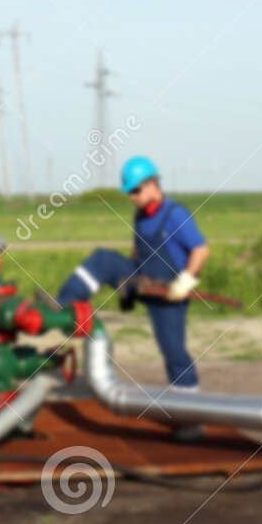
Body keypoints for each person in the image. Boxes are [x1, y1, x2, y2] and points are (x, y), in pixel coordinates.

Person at [56, 155, 208, 387]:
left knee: (173, 351)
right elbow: (138, 251)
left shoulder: (175, 214)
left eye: (135, 191)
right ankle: (66, 305)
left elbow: (200, 250)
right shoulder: (141, 215)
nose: (132, 197)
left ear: (152, 184)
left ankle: (190, 405)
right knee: (103, 260)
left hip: (169, 291)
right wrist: (125, 284)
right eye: (129, 192)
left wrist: (185, 282)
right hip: (142, 279)